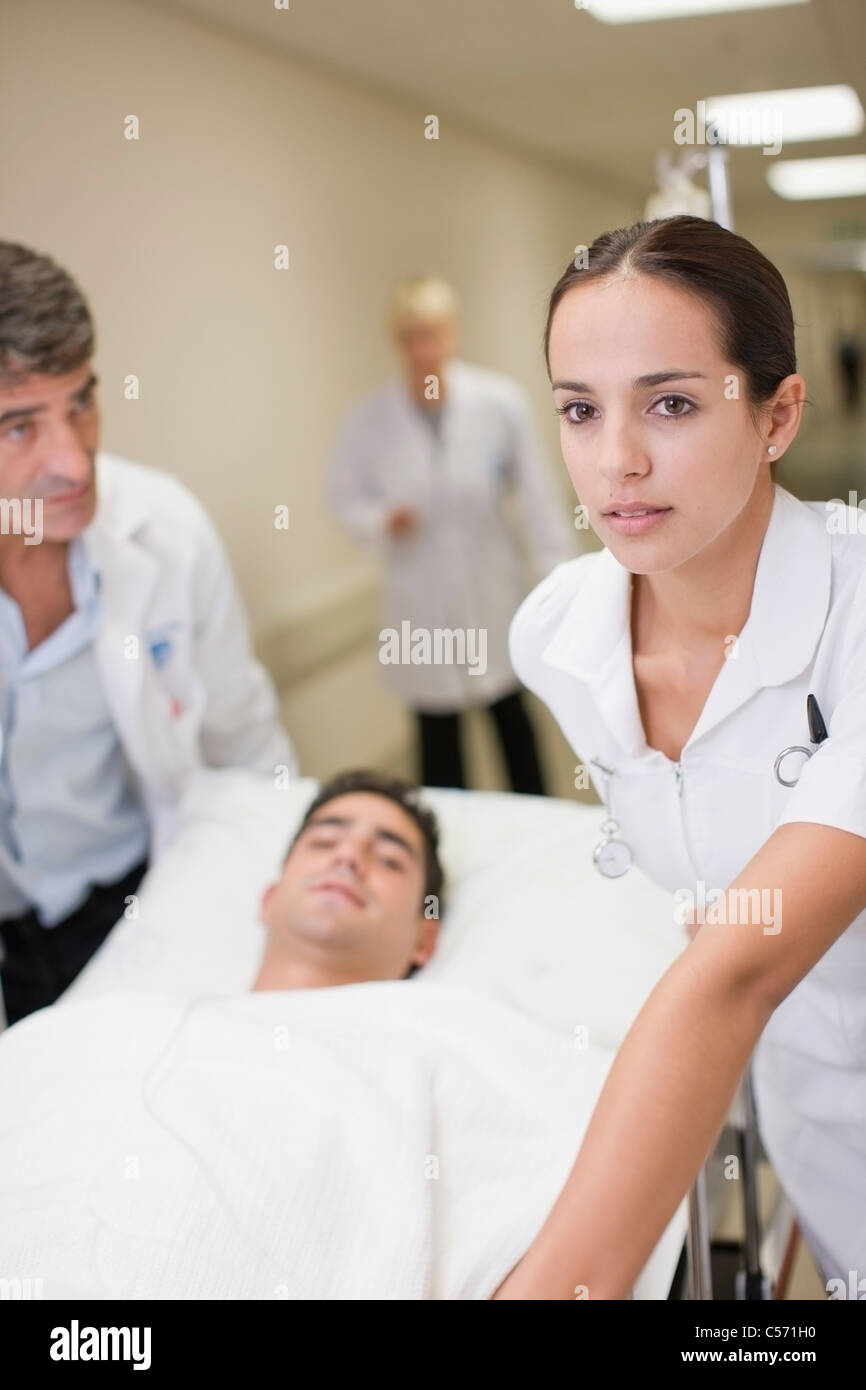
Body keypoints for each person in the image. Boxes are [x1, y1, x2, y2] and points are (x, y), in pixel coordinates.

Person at [493, 215, 866, 1297]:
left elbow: (737, 960)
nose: (616, 460)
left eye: (670, 403)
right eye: (578, 409)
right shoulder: (556, 638)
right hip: (812, 1110)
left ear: (776, 412)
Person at [0, 241, 297, 1027]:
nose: (74, 458)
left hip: (136, 906)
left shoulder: (165, 531)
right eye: (19, 426)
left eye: (82, 402)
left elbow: (249, 752)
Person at [329, 275, 575, 792]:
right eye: (411, 336)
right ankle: (444, 839)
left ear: (453, 334)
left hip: (493, 591)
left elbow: (538, 498)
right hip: (419, 600)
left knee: (512, 721)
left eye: (433, 333)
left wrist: (559, 581)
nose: (424, 348)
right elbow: (342, 501)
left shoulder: (498, 404)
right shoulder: (370, 419)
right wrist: (380, 521)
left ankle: (535, 826)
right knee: (437, 739)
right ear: (396, 341)